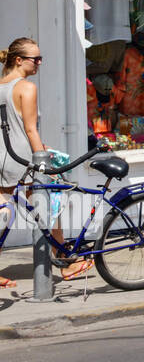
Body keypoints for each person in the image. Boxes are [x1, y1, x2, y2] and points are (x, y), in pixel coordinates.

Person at [0, 38, 92, 284]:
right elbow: (30, 130)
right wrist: (44, 162)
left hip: (2, 158)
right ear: (18, 60)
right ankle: (64, 262)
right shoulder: (26, 88)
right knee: (52, 205)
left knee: (4, 211)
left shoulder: (1, 86)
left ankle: (62, 257)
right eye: (35, 59)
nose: (40, 63)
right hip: (23, 161)